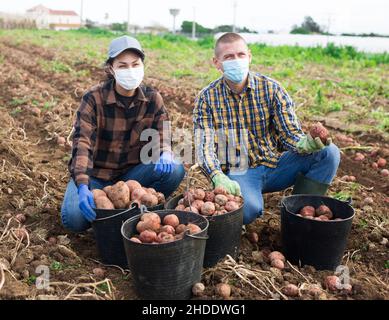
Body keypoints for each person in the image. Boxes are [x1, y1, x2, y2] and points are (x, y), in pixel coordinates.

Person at [193, 33, 340, 225]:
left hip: (276, 165)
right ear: (216, 62)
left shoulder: (271, 89)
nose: (236, 61)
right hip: (240, 173)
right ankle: (251, 199)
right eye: (229, 57)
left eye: (241, 55)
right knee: (245, 212)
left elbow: (289, 134)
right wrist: (216, 175)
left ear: (250, 56)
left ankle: (300, 214)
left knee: (329, 153)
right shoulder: (207, 98)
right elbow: (204, 147)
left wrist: (305, 143)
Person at [61, 35, 185, 232]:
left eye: (135, 64)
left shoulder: (153, 99)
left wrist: (166, 152)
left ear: (143, 65)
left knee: (175, 168)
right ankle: (111, 211)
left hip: (133, 176)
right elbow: (82, 144)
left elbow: (162, 135)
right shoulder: (93, 99)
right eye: (123, 66)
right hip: (97, 176)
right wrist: (83, 185)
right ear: (111, 69)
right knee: (74, 220)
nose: (130, 71)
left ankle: (136, 210)